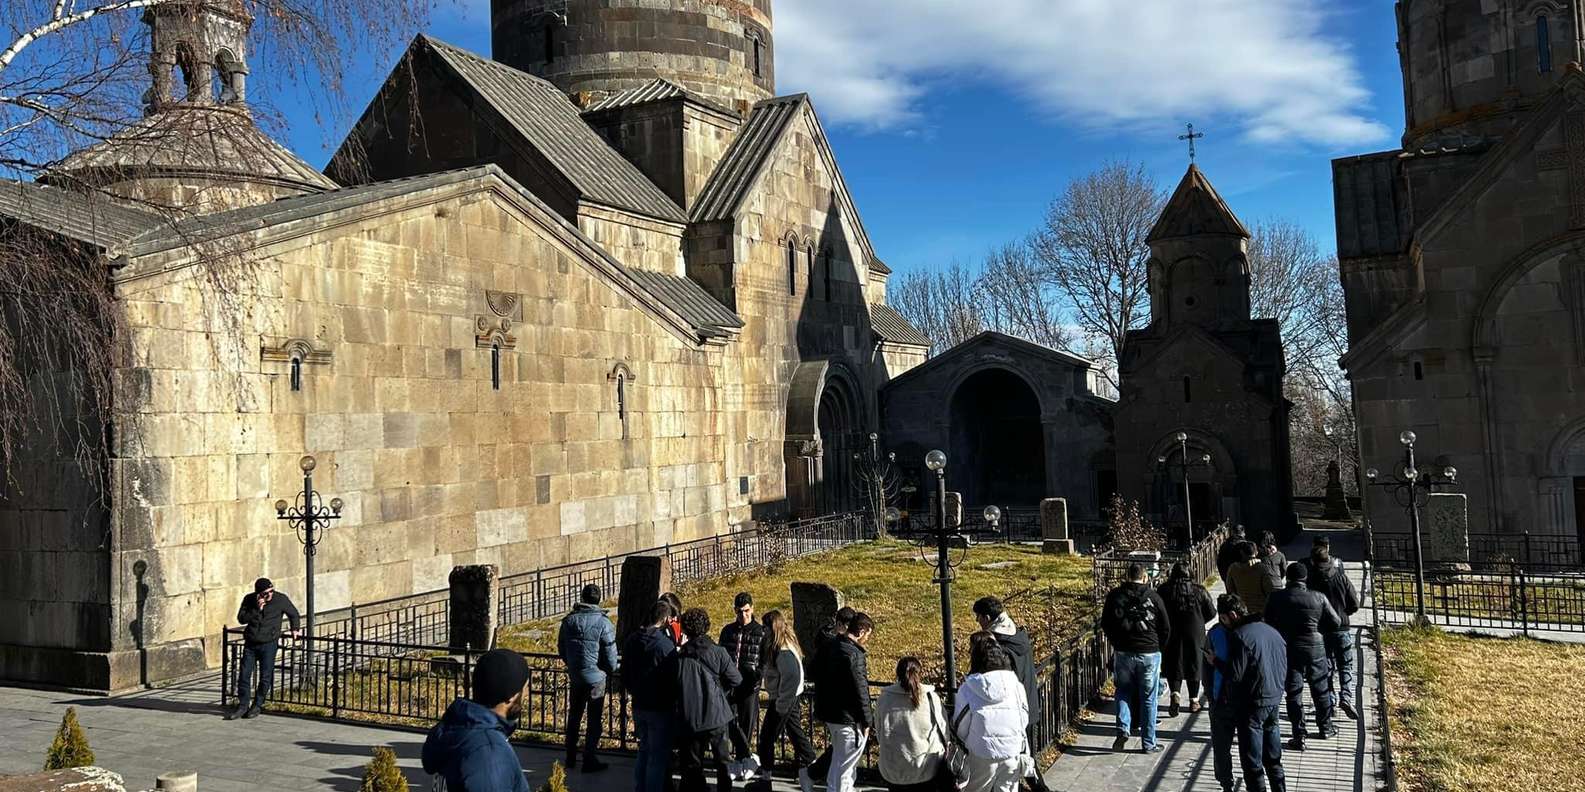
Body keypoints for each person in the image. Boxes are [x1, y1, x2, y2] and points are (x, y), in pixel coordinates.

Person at [422, 648, 532, 792]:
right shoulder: (488, 750)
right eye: (525, 687)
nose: (527, 694)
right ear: (511, 695)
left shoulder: (457, 730)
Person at [1263, 562, 1341, 750]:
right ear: (1305, 578)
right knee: (1320, 687)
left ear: (1287, 579)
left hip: (1288, 648)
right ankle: (1325, 727)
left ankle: (1299, 734)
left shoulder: (1276, 597)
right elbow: (1336, 622)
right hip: (1315, 648)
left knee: (1293, 691)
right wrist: (1318, 630)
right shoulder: (1318, 597)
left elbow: (1267, 621)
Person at [1100, 562, 1171, 753]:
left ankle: (1123, 727)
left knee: (1123, 690)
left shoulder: (1115, 596)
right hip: (1149, 651)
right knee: (1148, 698)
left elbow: (1105, 623)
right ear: (1145, 576)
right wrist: (1159, 648)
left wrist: (1116, 641)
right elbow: (1165, 627)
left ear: (1126, 576)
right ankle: (1148, 743)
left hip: (1123, 651)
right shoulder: (1154, 597)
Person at [1222, 594, 1289, 792]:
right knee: (1274, 758)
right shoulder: (1271, 631)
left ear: (1233, 615)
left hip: (1252, 704)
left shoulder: (1240, 636)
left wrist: (1217, 663)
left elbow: (1235, 675)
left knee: (1252, 763)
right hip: (1274, 698)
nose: (1223, 624)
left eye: (1224, 619)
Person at [952, 635, 1032, 792]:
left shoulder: (969, 688)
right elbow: (1024, 718)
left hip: (981, 754)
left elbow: (960, 726)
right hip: (1011, 753)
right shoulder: (1016, 686)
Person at [675, 607, 742, 792]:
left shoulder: (679, 658)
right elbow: (736, 679)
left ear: (685, 629)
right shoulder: (718, 652)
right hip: (717, 715)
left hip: (690, 718)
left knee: (693, 764)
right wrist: (720, 689)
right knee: (723, 762)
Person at [556, 583, 617, 772]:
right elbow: (610, 654)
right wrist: (609, 669)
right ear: (599, 600)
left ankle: (570, 756)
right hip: (596, 677)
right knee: (594, 720)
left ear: (582, 598)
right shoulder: (603, 623)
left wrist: (573, 666)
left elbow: (562, 648)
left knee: (574, 717)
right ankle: (589, 758)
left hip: (576, 676)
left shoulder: (568, 621)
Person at [754, 610, 816, 792]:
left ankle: (766, 779)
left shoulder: (783, 651)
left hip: (783, 699)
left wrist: (780, 706)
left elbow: (791, 677)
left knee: (766, 738)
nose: (763, 631)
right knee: (796, 734)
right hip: (787, 697)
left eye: (765, 627)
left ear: (772, 628)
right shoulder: (785, 644)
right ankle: (812, 764)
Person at [813, 611, 874, 792]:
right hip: (849, 718)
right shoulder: (855, 654)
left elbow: (813, 671)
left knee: (838, 762)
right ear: (861, 631)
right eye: (868, 635)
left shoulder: (830, 645)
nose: (867, 640)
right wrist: (867, 720)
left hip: (830, 713)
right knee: (845, 767)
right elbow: (861, 690)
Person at [623, 600, 679, 792]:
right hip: (659, 706)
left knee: (644, 750)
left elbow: (625, 673)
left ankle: (640, 787)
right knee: (657, 757)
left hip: (639, 703)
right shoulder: (665, 645)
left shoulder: (632, 639)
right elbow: (673, 678)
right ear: (664, 620)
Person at [1304, 536, 1362, 719]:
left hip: (1320, 628)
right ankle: (1346, 695)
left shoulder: (1310, 580)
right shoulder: (1340, 577)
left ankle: (1329, 701)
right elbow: (1354, 603)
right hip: (1342, 627)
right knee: (1345, 664)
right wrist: (1345, 613)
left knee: (1326, 666)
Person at [228, 577, 300, 720]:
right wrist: (257, 608)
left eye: (271, 591)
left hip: (269, 643)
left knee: (265, 676)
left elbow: (293, 614)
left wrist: (295, 629)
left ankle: (257, 705)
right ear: (259, 594)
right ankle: (243, 705)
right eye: (266, 593)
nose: (269, 595)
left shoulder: (280, 599)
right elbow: (242, 618)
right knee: (244, 674)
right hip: (251, 642)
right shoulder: (249, 600)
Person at [972, 597, 1041, 744]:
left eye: (978, 617)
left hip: (1012, 715)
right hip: (1029, 706)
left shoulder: (996, 645)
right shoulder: (1018, 635)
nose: (977, 621)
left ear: (987, 617)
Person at [874, 656, 948, 792]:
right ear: (919, 673)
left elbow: (879, 730)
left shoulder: (885, 698)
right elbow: (943, 730)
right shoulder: (930, 697)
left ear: (897, 674)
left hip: (894, 768)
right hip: (926, 766)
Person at [806, 606, 857, 781]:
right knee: (843, 749)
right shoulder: (831, 644)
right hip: (834, 703)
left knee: (840, 748)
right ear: (841, 624)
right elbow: (814, 670)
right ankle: (815, 775)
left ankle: (814, 775)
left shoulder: (830, 641)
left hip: (832, 702)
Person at [720, 592, 767, 779]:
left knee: (747, 723)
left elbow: (764, 660)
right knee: (729, 721)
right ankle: (742, 755)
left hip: (749, 685)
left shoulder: (761, 632)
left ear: (752, 608)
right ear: (735, 611)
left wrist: (758, 676)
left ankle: (743, 758)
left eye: (746, 611)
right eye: (740, 612)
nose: (743, 615)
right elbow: (722, 655)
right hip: (730, 684)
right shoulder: (728, 631)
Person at [1159, 562, 1216, 717]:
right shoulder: (1199, 591)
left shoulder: (1164, 590)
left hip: (1172, 631)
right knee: (1194, 663)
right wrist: (1200, 620)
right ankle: (1194, 700)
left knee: (1174, 662)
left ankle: (1175, 695)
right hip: (1195, 631)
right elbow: (1212, 612)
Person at [1203, 594, 1240, 792]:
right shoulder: (1249, 631)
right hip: (1242, 699)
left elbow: (1207, 668)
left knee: (1221, 745)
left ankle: (1226, 782)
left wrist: (1209, 693)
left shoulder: (1215, 633)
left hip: (1221, 697)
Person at [1226, 541, 1278, 615]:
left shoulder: (1233, 568)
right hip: (1260, 609)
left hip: (1242, 609)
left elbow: (1230, 589)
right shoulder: (1261, 568)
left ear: (1242, 553)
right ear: (1256, 552)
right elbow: (1269, 590)